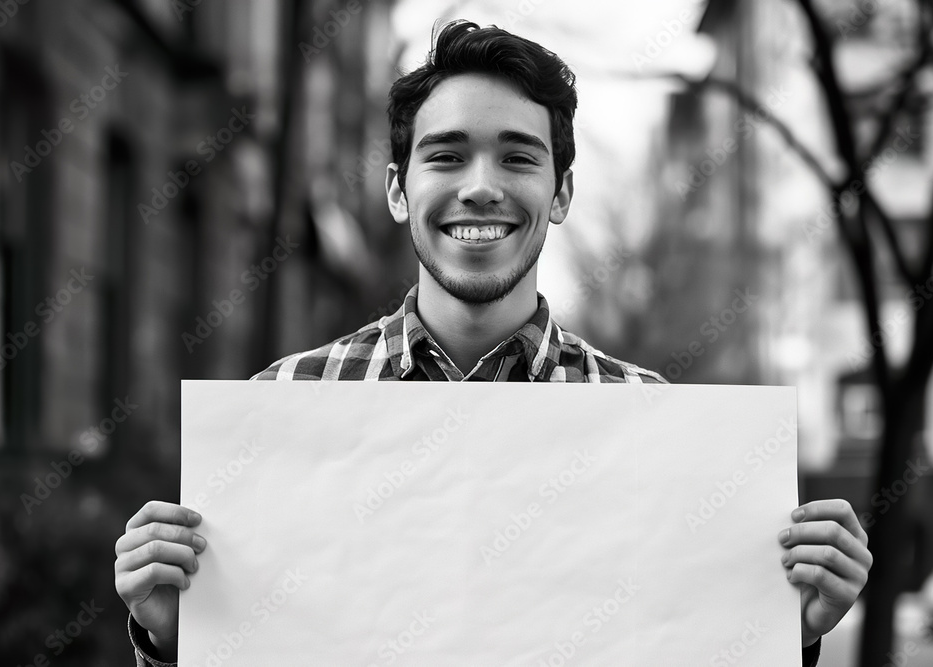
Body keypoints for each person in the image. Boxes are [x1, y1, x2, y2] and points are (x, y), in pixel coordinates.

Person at [114, 20, 872, 666]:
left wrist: (784, 634)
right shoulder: (278, 409)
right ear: (396, 189)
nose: (481, 185)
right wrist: (170, 638)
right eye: (446, 155)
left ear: (562, 192)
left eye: (518, 156)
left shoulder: (654, 428)